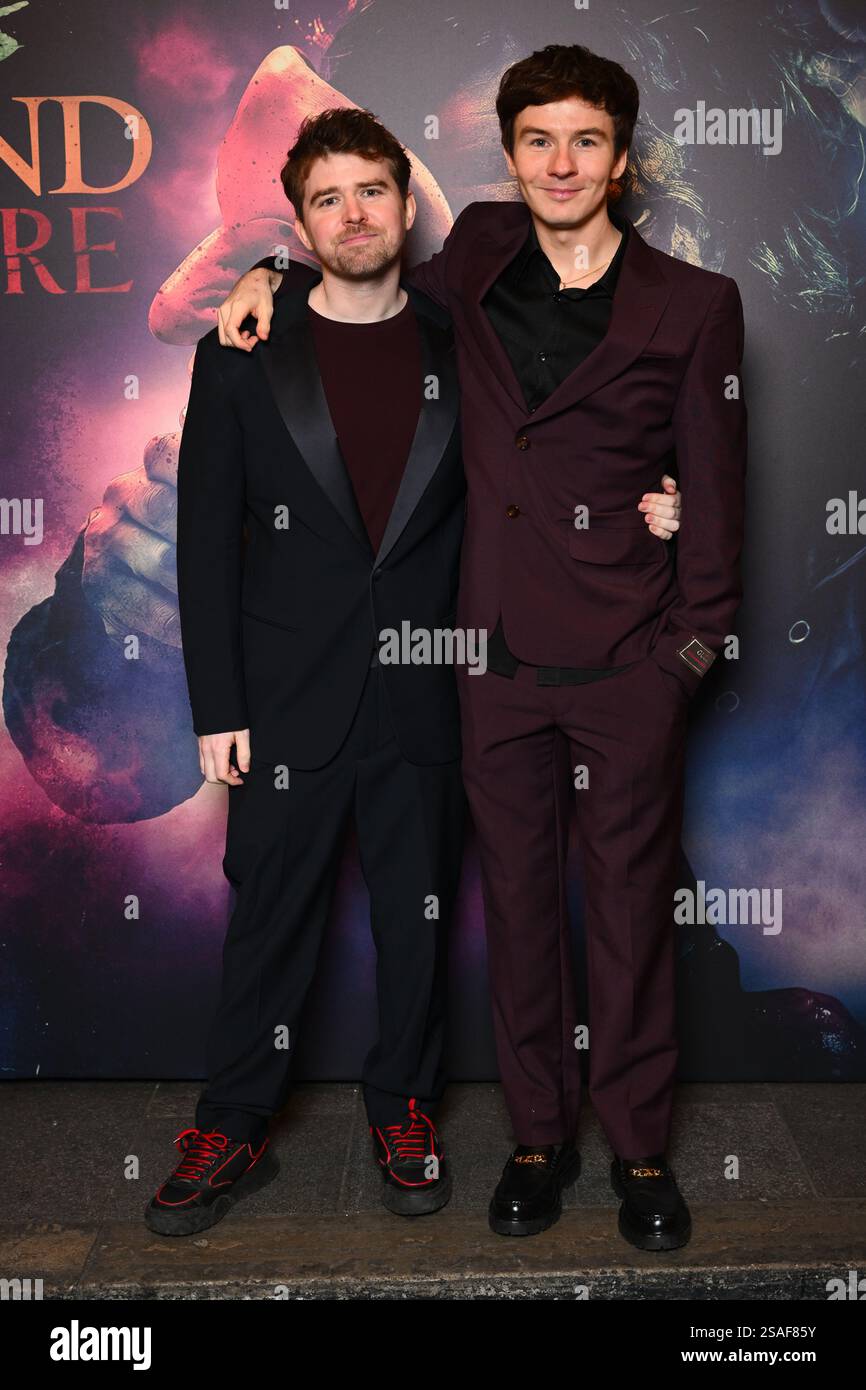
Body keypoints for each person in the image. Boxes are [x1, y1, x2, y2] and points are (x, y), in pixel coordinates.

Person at [210, 38, 721, 1248]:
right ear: (507, 157)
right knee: (523, 919)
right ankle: (537, 1141)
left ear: (620, 157)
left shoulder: (695, 305)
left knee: (633, 916)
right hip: (485, 672)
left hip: (628, 664)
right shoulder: (474, 259)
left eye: (584, 139)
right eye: (536, 140)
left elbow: (715, 485)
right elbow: (356, 268)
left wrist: (686, 656)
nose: (559, 162)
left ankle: (641, 1154)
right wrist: (266, 270)